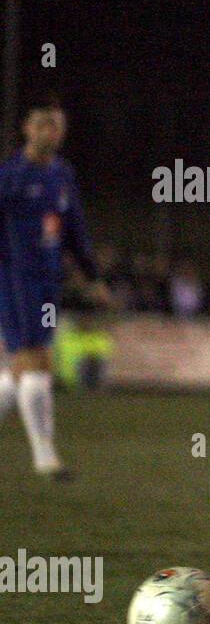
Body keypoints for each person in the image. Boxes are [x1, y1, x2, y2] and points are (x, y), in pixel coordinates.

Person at [0, 93, 113, 477]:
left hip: (49, 280)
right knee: (36, 362)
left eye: (57, 124)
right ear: (27, 129)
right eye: (43, 123)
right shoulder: (10, 176)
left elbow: (74, 229)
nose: (52, 130)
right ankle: (46, 459)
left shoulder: (62, 174)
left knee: (22, 371)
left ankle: (46, 457)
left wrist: (92, 276)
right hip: (16, 278)